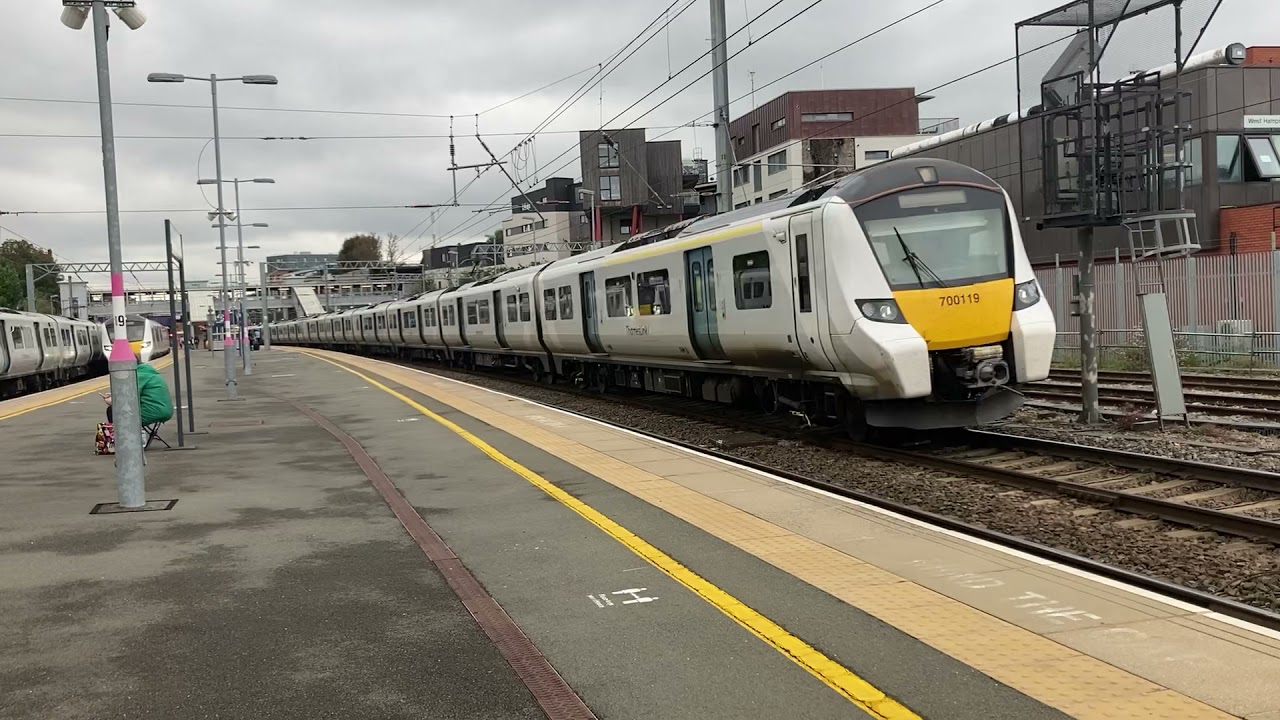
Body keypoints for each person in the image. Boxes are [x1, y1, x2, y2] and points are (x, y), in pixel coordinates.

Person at [101, 362, 174, 427]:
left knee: (113, 410)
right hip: (164, 410)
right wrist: (114, 395)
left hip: (153, 411)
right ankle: (139, 437)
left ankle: (120, 438)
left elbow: (128, 398)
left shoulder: (138, 375)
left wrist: (113, 401)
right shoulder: (148, 373)